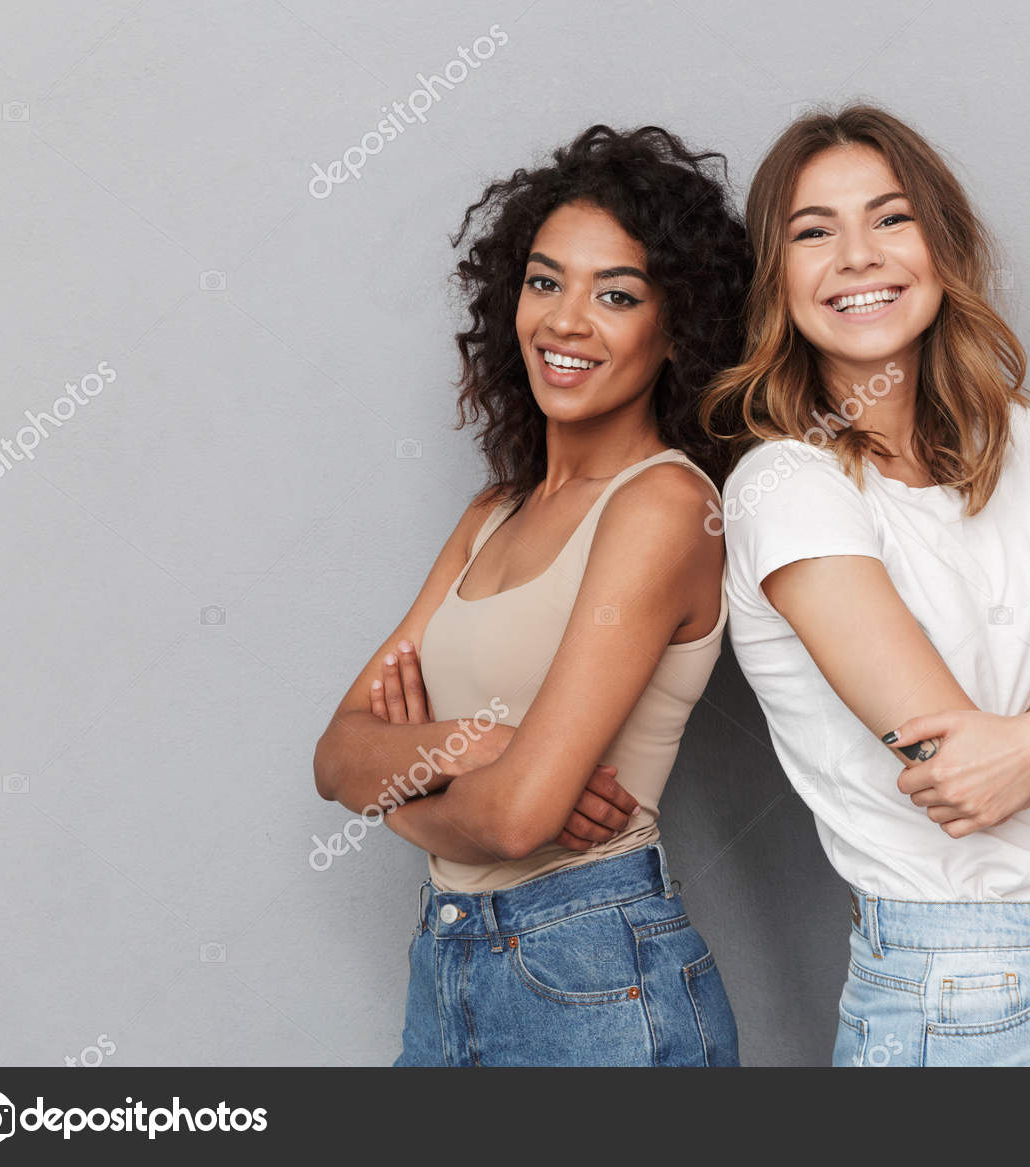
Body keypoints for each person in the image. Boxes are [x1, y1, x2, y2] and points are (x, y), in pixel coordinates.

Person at [701, 104, 1030, 1066]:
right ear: (775, 278)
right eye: (813, 232)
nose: (858, 256)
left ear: (941, 244)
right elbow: (960, 774)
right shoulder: (786, 487)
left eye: (891, 218)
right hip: (963, 977)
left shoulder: (1016, 438)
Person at [314, 124, 750, 1066]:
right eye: (546, 282)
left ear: (677, 329)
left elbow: (516, 821)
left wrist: (399, 796)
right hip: (449, 961)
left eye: (617, 294)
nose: (567, 321)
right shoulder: (493, 512)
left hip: (594, 970)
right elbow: (336, 752)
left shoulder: (666, 507)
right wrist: (482, 746)